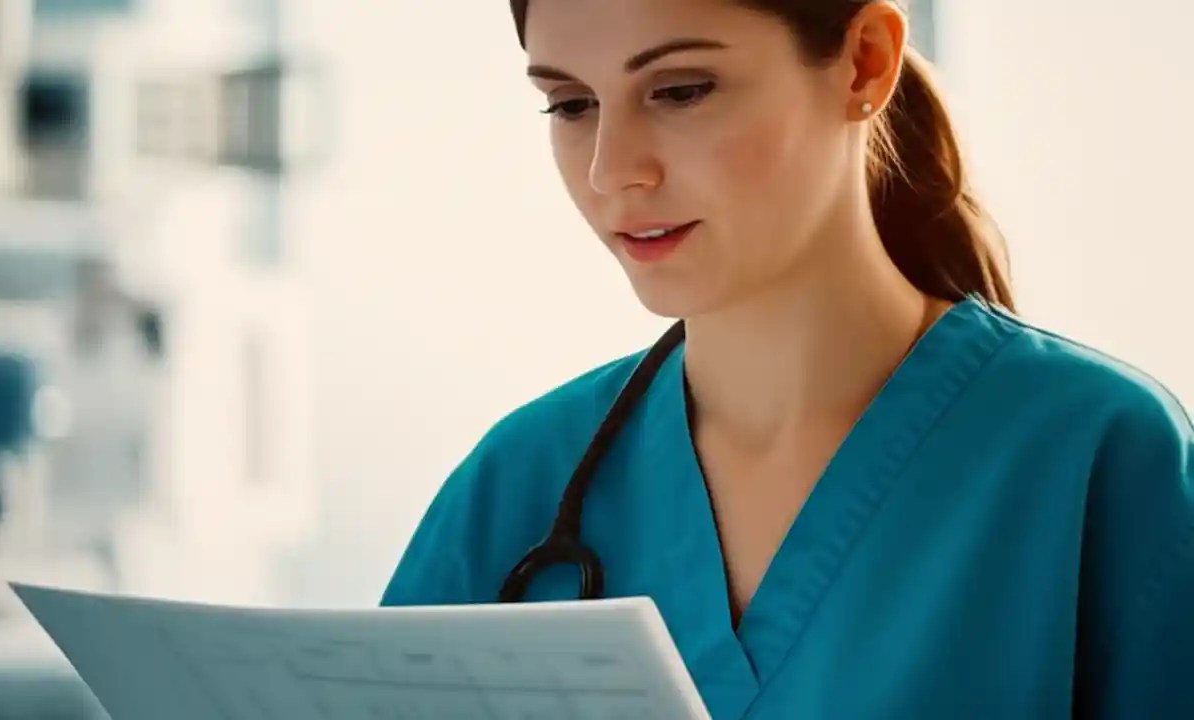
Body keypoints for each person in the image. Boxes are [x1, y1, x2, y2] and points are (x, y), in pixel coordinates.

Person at [380, 0, 1194, 717]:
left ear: (863, 62)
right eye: (571, 104)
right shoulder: (519, 482)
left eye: (679, 91)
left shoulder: (1094, 452)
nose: (613, 170)